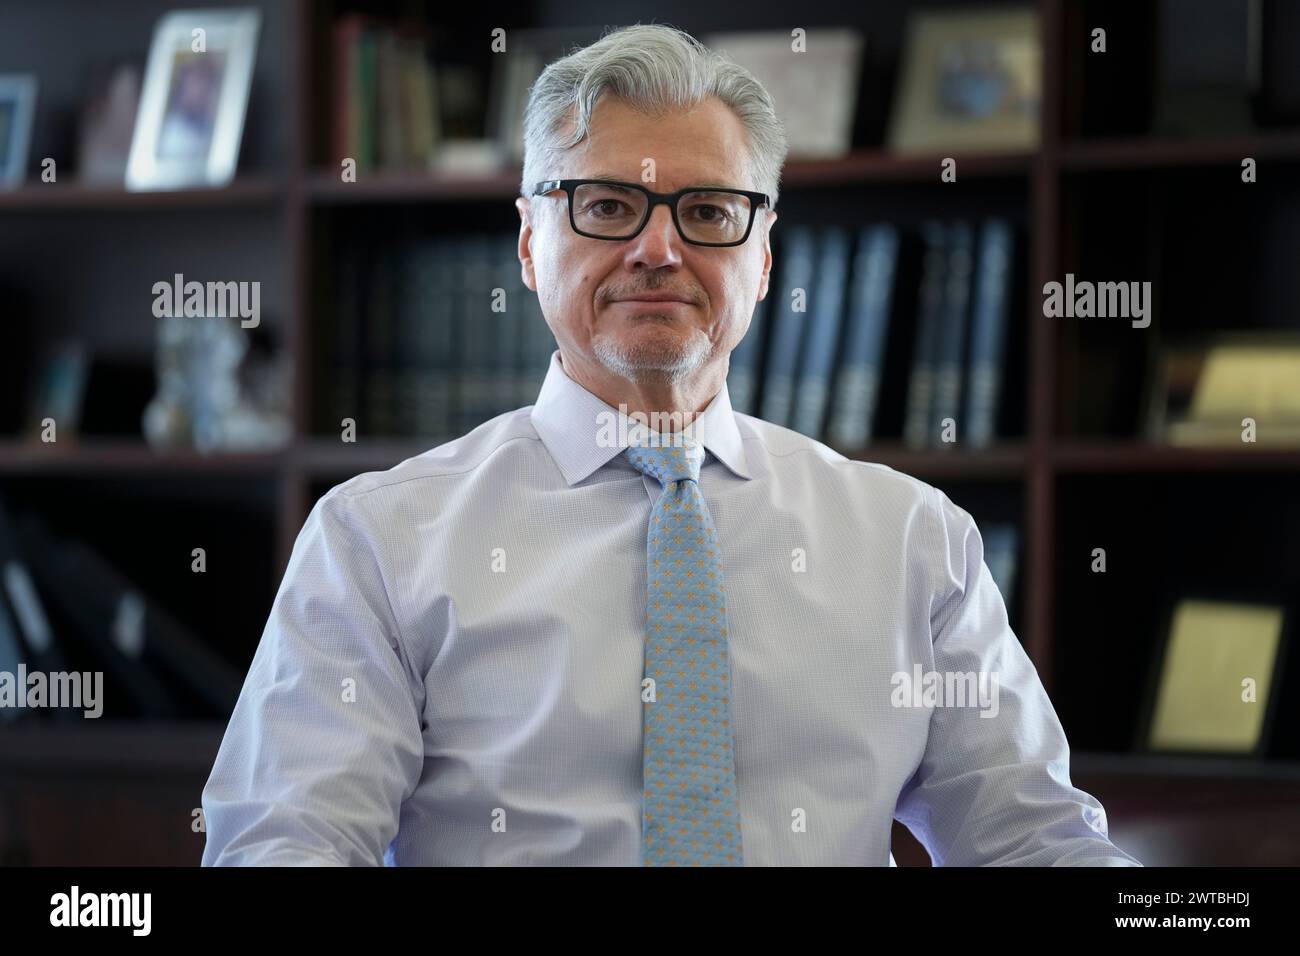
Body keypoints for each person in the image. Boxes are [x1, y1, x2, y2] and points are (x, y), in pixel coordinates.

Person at [201, 23, 1141, 867]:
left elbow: (1035, 841)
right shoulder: (378, 542)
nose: (658, 250)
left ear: (763, 256)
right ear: (529, 243)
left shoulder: (912, 541)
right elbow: (286, 845)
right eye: (607, 206)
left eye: (708, 211)